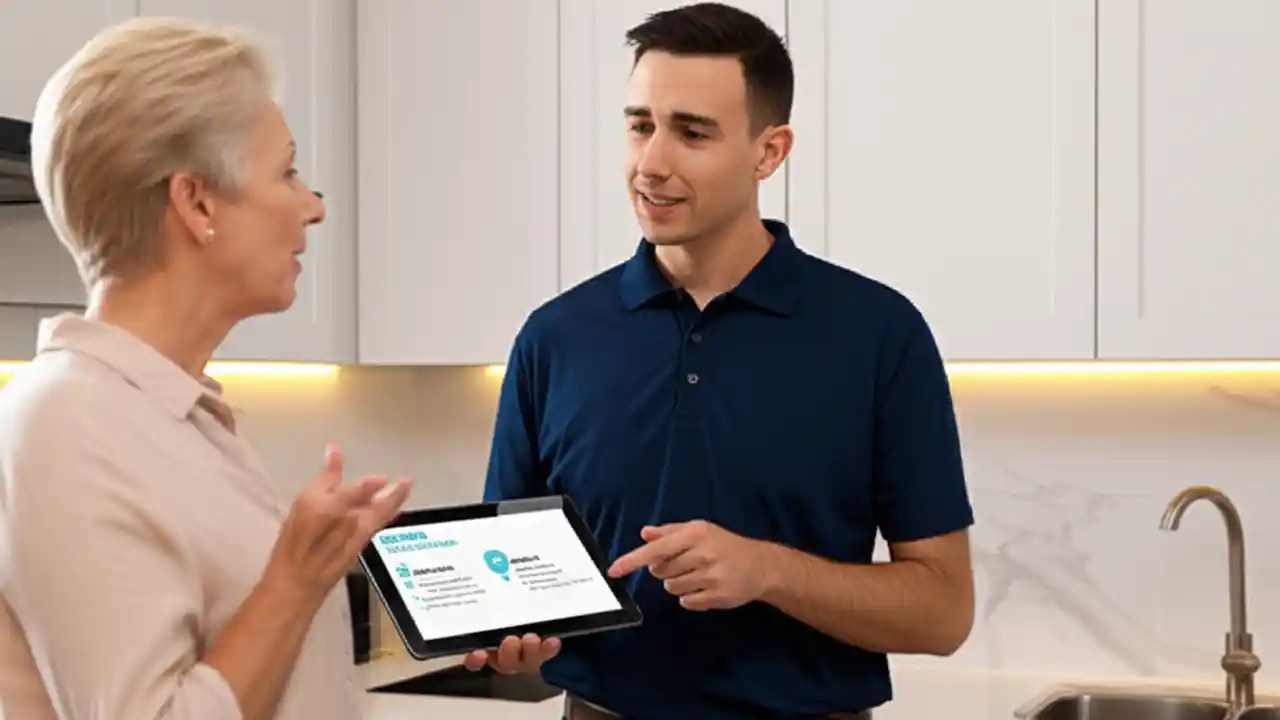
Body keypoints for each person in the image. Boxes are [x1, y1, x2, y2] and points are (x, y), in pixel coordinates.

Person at [477, 3, 976, 718]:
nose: (651, 164)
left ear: (769, 152)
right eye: (640, 124)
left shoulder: (878, 335)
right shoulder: (553, 338)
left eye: (692, 132)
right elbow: (513, 589)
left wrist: (766, 570)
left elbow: (943, 611)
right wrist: (509, 641)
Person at [0, 17, 410, 720]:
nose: (312, 207)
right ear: (196, 202)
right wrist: (294, 577)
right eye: (286, 171)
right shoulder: (65, 423)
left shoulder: (170, 414)